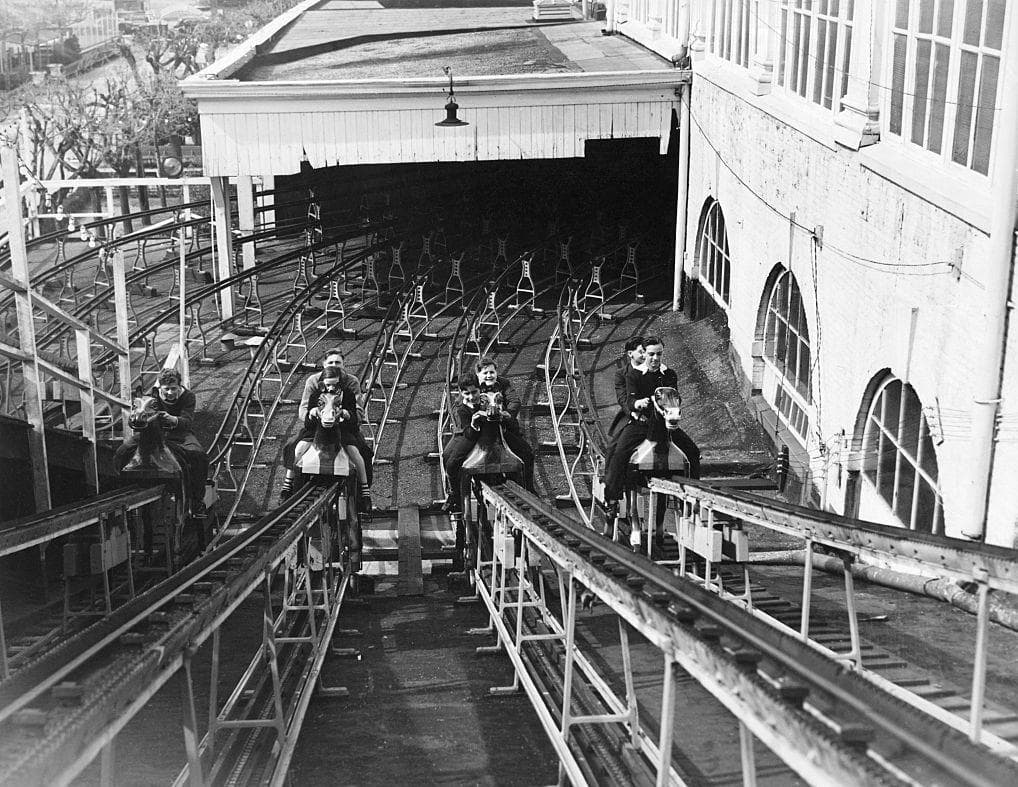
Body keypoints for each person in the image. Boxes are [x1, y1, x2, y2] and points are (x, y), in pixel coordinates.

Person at [602, 336, 700, 504]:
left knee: (692, 451)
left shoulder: (669, 374)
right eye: (651, 354)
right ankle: (612, 496)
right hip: (641, 422)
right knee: (619, 452)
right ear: (645, 354)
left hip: (662, 423)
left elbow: (674, 396)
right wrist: (637, 404)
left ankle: (694, 493)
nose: (655, 358)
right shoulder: (633, 375)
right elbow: (629, 399)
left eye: (659, 354)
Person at [280, 349, 373, 509]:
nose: (335, 365)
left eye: (338, 363)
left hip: (343, 427)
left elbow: (357, 410)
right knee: (296, 446)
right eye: (331, 363)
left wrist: (347, 415)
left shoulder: (350, 386)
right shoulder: (314, 385)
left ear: (343, 365)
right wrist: (312, 414)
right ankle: (288, 484)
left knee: (359, 451)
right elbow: (304, 408)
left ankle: (364, 491)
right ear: (324, 365)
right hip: (318, 427)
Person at [116, 367, 209, 512]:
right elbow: (140, 414)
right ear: (160, 387)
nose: (170, 393)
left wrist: (174, 420)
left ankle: (197, 499)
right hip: (154, 432)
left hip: (180, 434)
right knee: (122, 451)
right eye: (166, 389)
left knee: (199, 455)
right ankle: (120, 487)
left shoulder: (189, 396)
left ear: (179, 386)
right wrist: (136, 421)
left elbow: (187, 421)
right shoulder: (152, 398)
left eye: (174, 388)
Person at [475, 356, 535, 490]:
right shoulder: (473, 385)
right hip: (480, 430)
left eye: (492, 372)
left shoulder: (504, 383)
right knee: (456, 457)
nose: (489, 376)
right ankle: (455, 494)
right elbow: (463, 403)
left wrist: (506, 414)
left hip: (503, 427)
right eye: (485, 373)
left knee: (527, 453)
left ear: (496, 372)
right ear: (478, 374)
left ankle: (528, 487)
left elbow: (514, 401)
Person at [441, 374, 487, 512]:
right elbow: (467, 432)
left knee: (452, 461)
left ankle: (455, 493)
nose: (472, 397)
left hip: (481, 436)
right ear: (461, 392)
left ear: (480, 390)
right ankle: (454, 492)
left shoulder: (485, 401)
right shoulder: (462, 408)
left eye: (474, 392)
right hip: (468, 433)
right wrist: (473, 423)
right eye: (467, 393)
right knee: (446, 456)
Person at [608, 335, 645, 439]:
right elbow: (622, 398)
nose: (644, 355)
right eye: (641, 352)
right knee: (616, 447)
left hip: (653, 413)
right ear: (630, 354)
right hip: (632, 413)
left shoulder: (654, 369)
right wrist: (633, 413)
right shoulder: (621, 374)